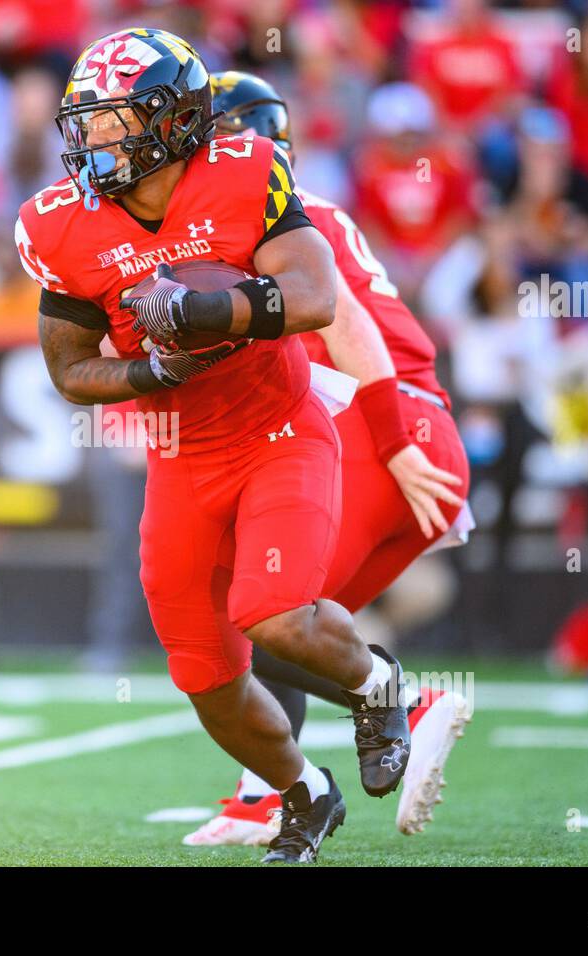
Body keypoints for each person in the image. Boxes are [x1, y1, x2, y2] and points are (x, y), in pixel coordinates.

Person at [15, 29, 411, 864]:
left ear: (174, 121)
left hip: (280, 431)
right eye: (85, 121)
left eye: (115, 121)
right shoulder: (62, 226)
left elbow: (311, 296)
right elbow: (73, 369)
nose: (94, 141)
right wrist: (152, 372)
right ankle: (306, 794)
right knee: (203, 675)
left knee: (272, 614)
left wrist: (212, 314)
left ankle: (379, 684)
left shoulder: (243, 172)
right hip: (182, 452)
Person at [182, 71, 472, 846]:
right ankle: (263, 797)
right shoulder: (273, 216)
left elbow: (348, 331)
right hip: (382, 427)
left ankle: (405, 701)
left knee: (268, 610)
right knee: (272, 616)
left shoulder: (271, 220)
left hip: (385, 425)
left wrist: (394, 438)